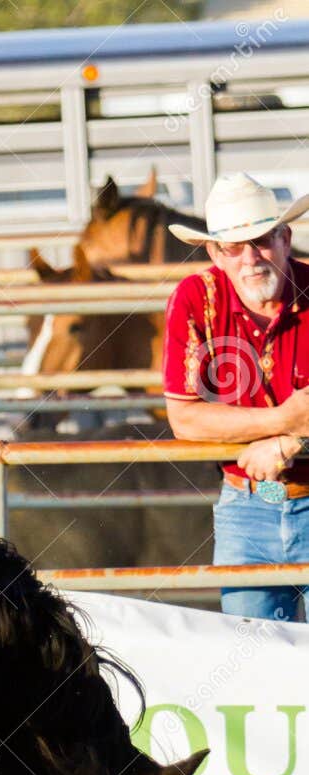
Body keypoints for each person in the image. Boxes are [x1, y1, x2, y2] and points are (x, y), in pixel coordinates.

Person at [163, 173, 309, 622]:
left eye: (262, 240)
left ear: (285, 238)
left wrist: (287, 444)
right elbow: (185, 420)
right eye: (233, 246)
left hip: (248, 500)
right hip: (246, 504)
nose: (250, 258)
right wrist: (286, 422)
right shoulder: (194, 296)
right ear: (215, 253)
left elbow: (193, 416)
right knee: (254, 666)